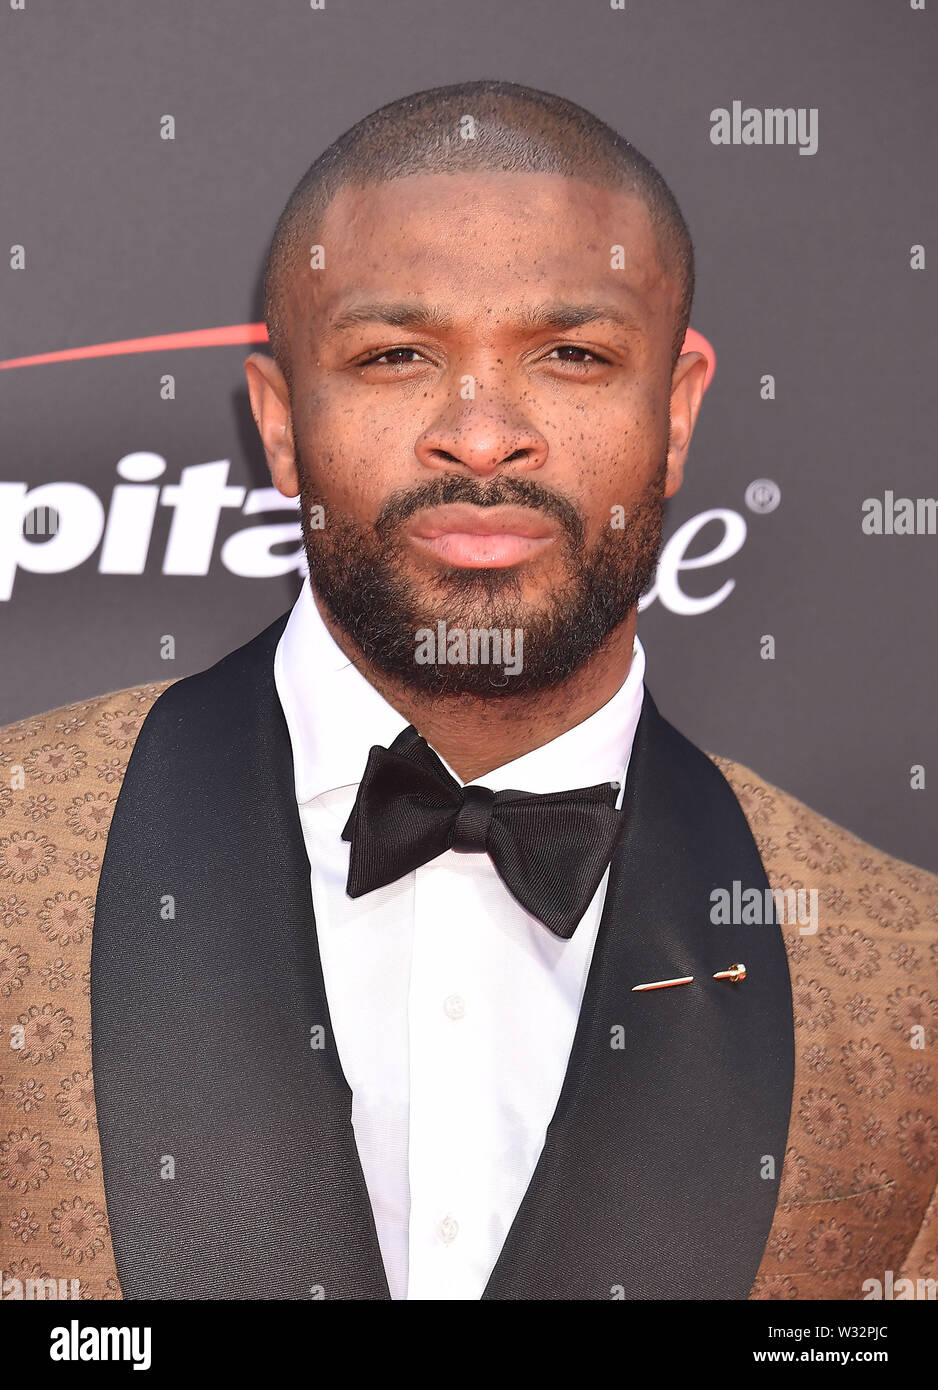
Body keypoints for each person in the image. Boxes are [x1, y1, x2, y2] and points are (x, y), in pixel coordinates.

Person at [1, 80, 936, 1303]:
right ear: (279, 420)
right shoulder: (19, 855)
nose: (482, 435)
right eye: (396, 356)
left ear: (676, 410)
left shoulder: (902, 982)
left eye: (571, 354)